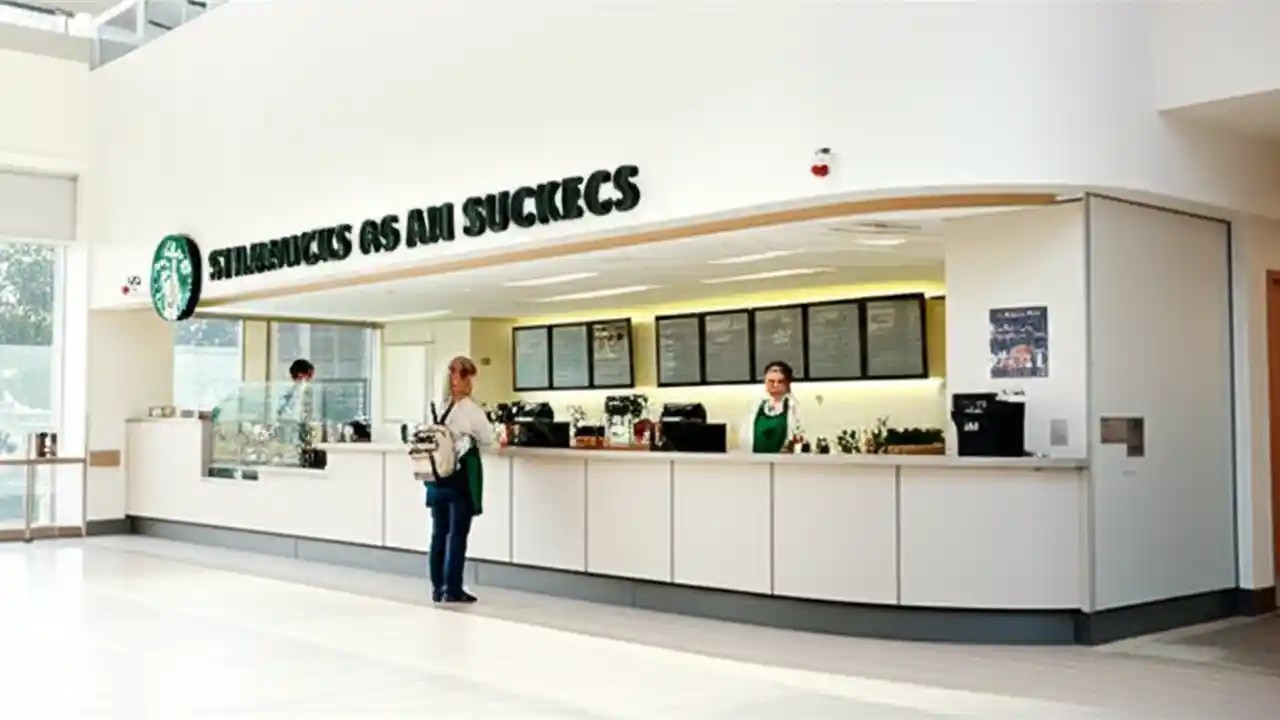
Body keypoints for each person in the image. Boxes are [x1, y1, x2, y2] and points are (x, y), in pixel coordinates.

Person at [427, 356, 492, 603]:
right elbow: (487, 439)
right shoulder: (471, 410)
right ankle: (453, 588)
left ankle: (437, 587)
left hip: (436, 478)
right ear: (466, 379)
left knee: (438, 533)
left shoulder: (437, 407)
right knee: (457, 534)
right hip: (460, 477)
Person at [739, 360, 803, 453]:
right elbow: (744, 436)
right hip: (756, 462)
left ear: (787, 384)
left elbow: (799, 436)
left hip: (784, 463)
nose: (775, 385)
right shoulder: (754, 406)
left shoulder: (794, 408)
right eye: (771, 381)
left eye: (780, 381)